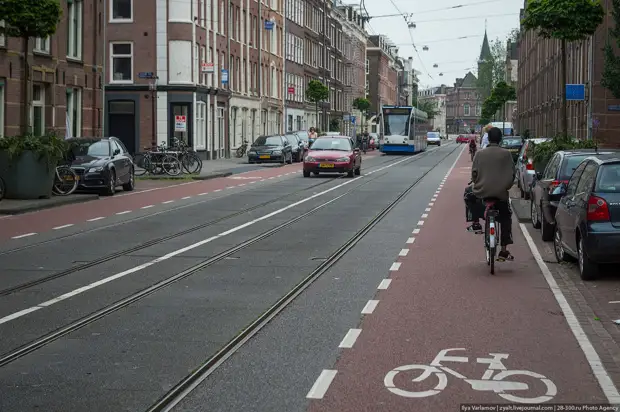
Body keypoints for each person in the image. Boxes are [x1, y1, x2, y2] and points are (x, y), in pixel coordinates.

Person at [471, 127, 515, 261]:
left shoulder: (479, 154)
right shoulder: (506, 154)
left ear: (488, 138)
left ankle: (475, 222)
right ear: (500, 139)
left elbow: (474, 174)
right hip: (501, 194)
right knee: (506, 217)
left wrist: (477, 182)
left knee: (469, 195)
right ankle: (504, 249)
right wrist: (505, 186)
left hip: (482, 192)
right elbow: (513, 174)